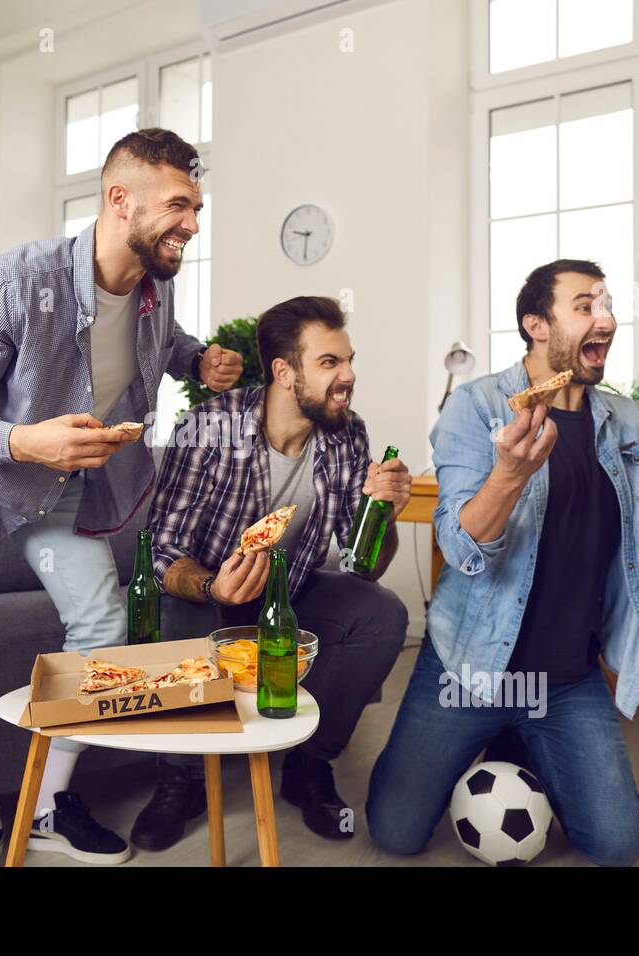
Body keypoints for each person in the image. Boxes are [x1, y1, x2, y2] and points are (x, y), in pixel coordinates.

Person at [0, 128, 242, 866]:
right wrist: (25, 441)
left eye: (197, 207)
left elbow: (159, 341)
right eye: (180, 206)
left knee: (102, 626)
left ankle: (47, 803)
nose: (193, 224)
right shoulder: (13, 280)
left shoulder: (158, 281)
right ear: (120, 200)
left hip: (61, 488)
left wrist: (199, 359)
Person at [366, 259, 639, 865]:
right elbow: (461, 548)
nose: (607, 319)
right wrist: (510, 473)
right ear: (536, 324)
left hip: (566, 678)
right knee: (396, 832)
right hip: (468, 670)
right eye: (585, 305)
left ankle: (523, 739)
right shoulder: (477, 408)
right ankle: (498, 735)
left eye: (607, 304)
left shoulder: (624, 420)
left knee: (618, 845)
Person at [131, 296, 410, 850]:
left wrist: (384, 515)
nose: (348, 376)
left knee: (381, 614)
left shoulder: (347, 433)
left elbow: (363, 565)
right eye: (330, 363)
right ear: (284, 372)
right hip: (210, 596)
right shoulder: (209, 427)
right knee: (176, 604)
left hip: (291, 591)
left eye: (348, 360)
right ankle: (181, 777)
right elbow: (162, 549)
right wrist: (211, 584)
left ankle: (308, 765)